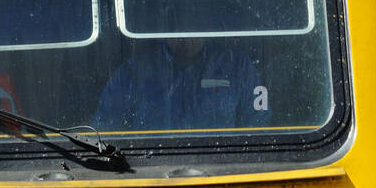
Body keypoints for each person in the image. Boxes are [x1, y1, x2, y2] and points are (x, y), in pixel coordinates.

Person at [93, 38, 269, 135]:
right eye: (176, 24)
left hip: (221, 167)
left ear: (207, 24)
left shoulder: (236, 65)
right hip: (149, 168)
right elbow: (105, 130)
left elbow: (259, 127)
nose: (184, 37)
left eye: (193, 22)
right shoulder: (132, 72)